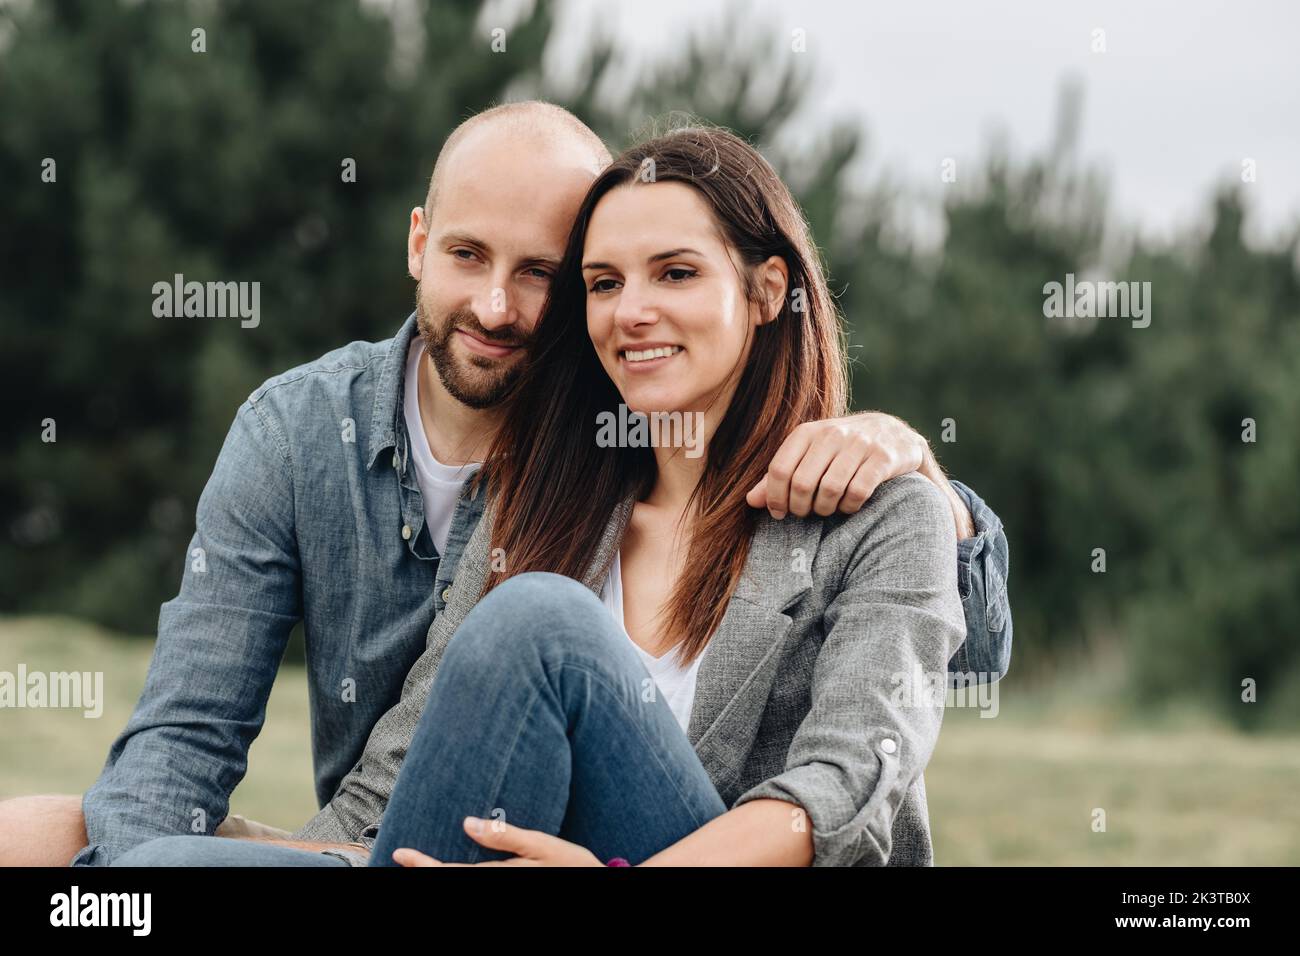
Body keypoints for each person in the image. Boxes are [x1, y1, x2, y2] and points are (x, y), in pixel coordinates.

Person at [0, 102, 1009, 868]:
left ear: (766, 288)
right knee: (82, 846)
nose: (633, 311)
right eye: (606, 283)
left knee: (539, 620)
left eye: (674, 273)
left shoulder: (882, 505)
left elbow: (850, 778)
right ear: (416, 244)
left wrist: (939, 491)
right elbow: (369, 780)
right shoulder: (551, 493)